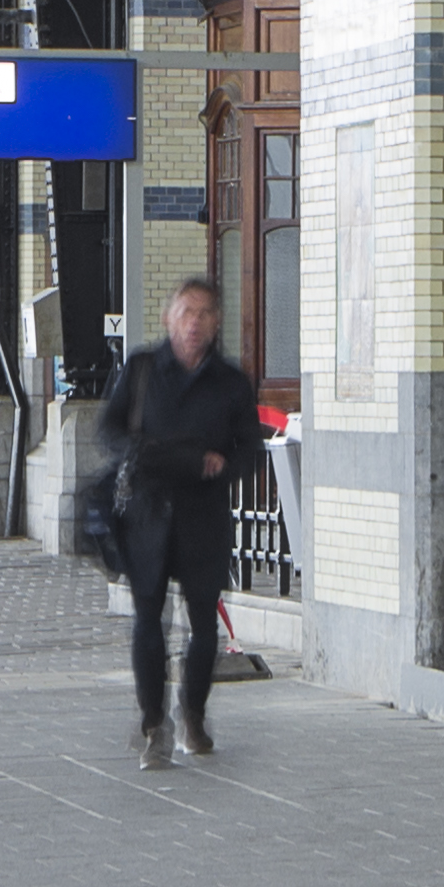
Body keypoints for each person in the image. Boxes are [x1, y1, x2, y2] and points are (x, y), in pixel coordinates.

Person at [98, 280, 262, 750]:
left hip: (203, 515)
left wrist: (223, 465)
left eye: (205, 314)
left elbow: (250, 448)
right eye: (186, 312)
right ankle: (153, 720)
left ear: (216, 323)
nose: (195, 323)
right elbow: (109, 428)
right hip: (149, 514)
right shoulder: (143, 370)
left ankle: (193, 711)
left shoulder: (230, 383)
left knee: (203, 623)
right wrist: (143, 453)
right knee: (149, 619)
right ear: (169, 318)